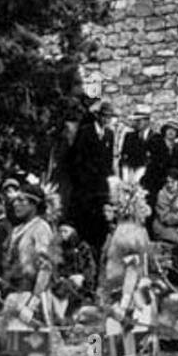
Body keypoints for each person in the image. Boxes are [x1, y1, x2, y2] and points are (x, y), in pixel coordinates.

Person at [101, 170, 160, 356]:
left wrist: (123, 305)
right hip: (132, 299)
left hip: (133, 301)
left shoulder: (127, 232)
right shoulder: (129, 230)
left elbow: (133, 271)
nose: (108, 208)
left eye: (112, 203)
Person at [1, 183, 61, 356]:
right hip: (20, 293)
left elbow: (46, 268)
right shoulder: (21, 229)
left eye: (22, 200)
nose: (16, 203)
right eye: (15, 200)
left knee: (38, 354)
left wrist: (34, 302)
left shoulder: (41, 228)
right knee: (28, 355)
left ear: (35, 204)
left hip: (35, 296)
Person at [65, 94, 114, 253]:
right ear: (98, 116)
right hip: (85, 184)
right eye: (104, 116)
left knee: (100, 217)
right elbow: (78, 158)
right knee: (85, 214)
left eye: (109, 117)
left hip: (100, 185)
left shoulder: (109, 135)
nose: (106, 120)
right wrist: (84, 178)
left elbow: (108, 160)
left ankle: (97, 246)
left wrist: (107, 179)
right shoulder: (86, 132)